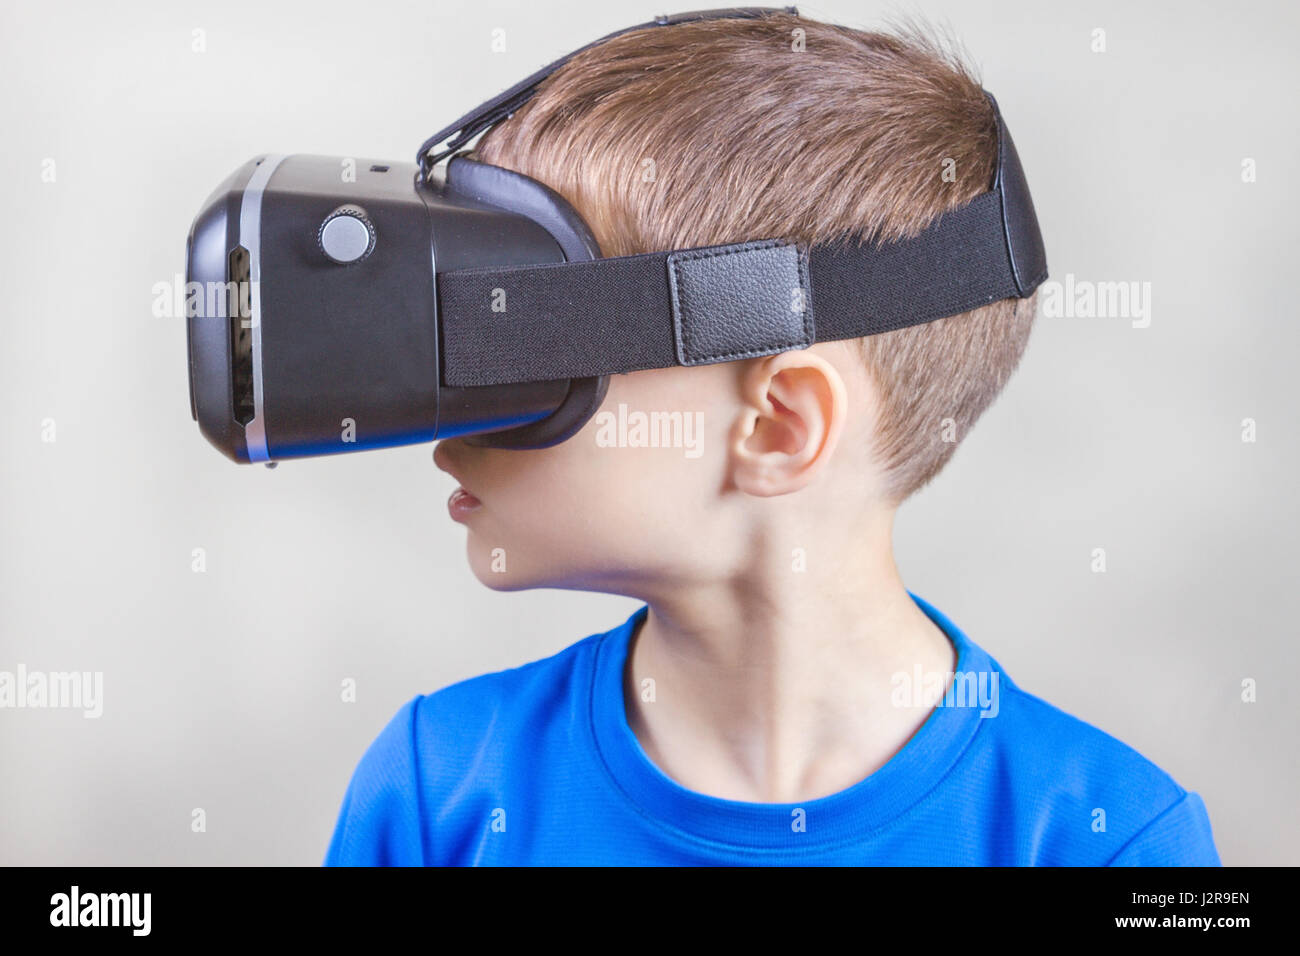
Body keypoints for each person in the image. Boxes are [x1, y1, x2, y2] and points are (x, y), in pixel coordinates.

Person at [325, 10, 1219, 865]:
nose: (448, 423)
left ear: (777, 426)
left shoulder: (1108, 842)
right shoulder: (438, 788)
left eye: (518, 347)